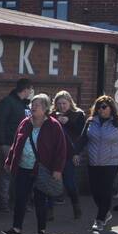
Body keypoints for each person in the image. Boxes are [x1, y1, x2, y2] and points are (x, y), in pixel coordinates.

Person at [3, 93, 67, 234]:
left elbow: (61, 149)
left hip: (42, 169)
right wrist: (9, 161)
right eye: (32, 104)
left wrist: (58, 169)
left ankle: (41, 231)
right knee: (20, 199)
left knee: (40, 201)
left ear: (45, 108)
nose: (33, 107)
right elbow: (15, 144)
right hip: (23, 167)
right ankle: (16, 229)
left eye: (37, 105)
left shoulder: (53, 125)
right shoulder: (25, 122)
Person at [79, 95, 118, 233]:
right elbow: (82, 140)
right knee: (95, 192)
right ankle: (105, 212)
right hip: (93, 162)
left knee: (106, 190)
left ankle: (100, 219)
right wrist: (75, 153)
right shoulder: (91, 122)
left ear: (111, 108)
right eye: (98, 107)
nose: (100, 110)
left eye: (103, 107)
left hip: (111, 162)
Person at [0, 78, 34, 211]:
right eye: (30, 90)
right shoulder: (8, 102)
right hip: (8, 143)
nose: (31, 92)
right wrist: (1, 142)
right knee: (7, 172)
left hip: (22, 144)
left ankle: (20, 201)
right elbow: (0, 122)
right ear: (26, 89)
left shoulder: (24, 104)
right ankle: (3, 202)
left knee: (21, 173)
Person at [51, 91, 85, 221]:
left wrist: (68, 122)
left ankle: (76, 207)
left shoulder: (78, 115)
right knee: (50, 182)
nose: (62, 106)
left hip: (70, 154)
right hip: (54, 154)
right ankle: (49, 210)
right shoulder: (53, 115)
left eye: (64, 103)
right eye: (59, 103)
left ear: (70, 102)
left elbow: (81, 135)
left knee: (69, 182)